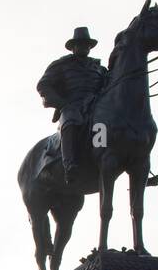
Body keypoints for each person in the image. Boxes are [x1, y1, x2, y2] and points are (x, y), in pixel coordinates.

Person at [36, 27, 107, 183]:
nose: (84, 47)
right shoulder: (62, 65)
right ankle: (69, 165)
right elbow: (43, 85)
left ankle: (108, 159)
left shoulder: (100, 69)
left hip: (95, 107)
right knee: (71, 119)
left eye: (87, 44)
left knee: (106, 123)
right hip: (71, 106)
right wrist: (63, 103)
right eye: (80, 44)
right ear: (73, 47)